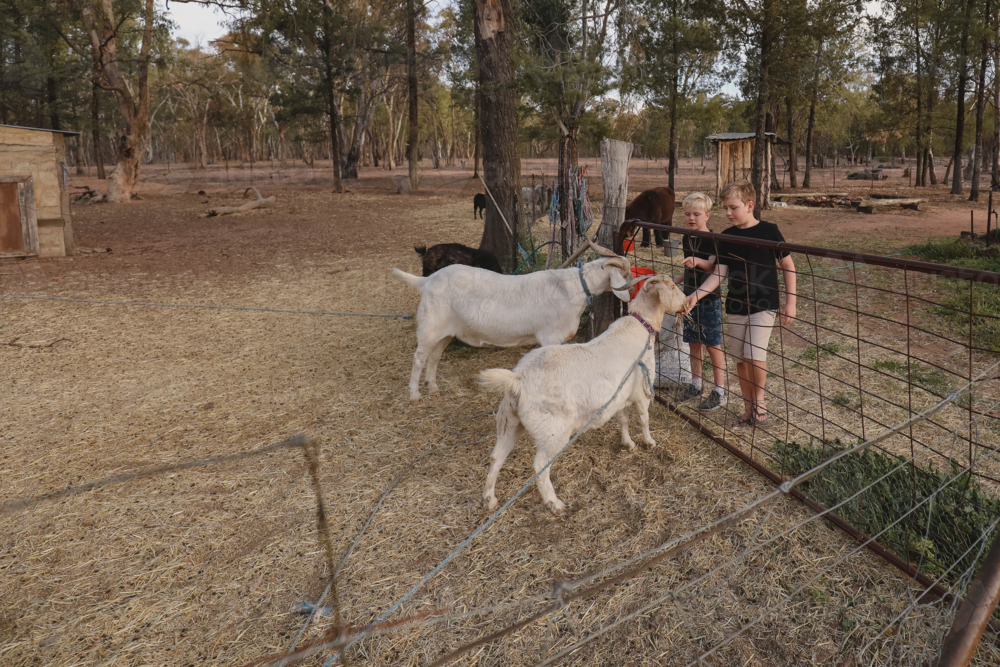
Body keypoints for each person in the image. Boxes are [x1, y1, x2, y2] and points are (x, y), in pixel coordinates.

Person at [684, 180, 797, 427]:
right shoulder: (726, 237)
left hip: (764, 304)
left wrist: (791, 302)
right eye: (725, 208)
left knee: (755, 355)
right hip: (735, 306)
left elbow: (787, 265)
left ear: (749, 205)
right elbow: (719, 273)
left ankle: (759, 401)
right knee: (740, 359)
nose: (727, 213)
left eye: (732, 208)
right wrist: (697, 295)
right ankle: (747, 407)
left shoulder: (770, 231)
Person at [673, 193, 727, 411]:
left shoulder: (714, 240)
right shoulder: (687, 237)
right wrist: (676, 279)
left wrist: (698, 261)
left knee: (713, 344)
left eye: (696, 214)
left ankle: (719, 391)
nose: (691, 218)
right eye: (687, 214)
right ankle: (696, 385)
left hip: (708, 300)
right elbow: (689, 269)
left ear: (707, 215)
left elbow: (715, 268)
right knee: (693, 343)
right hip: (688, 299)